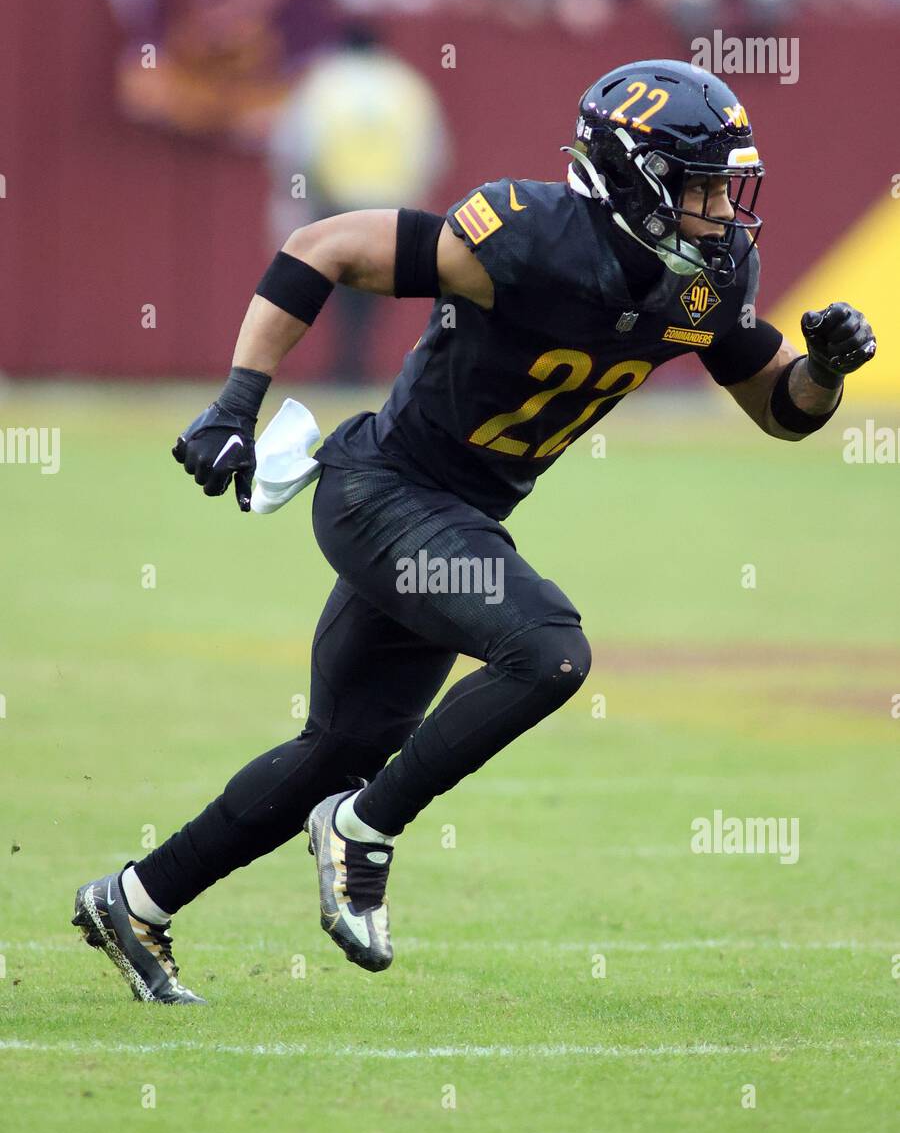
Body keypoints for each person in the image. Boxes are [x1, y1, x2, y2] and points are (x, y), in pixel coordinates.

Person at [73, 59, 875, 1002]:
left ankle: (135, 900)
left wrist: (823, 368)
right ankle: (363, 832)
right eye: (700, 187)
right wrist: (236, 403)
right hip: (384, 492)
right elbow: (324, 245)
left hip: (454, 519)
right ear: (633, 178)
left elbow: (782, 411)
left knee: (340, 748)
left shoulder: (708, 278)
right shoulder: (529, 235)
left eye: (724, 189)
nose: (722, 212)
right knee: (549, 652)